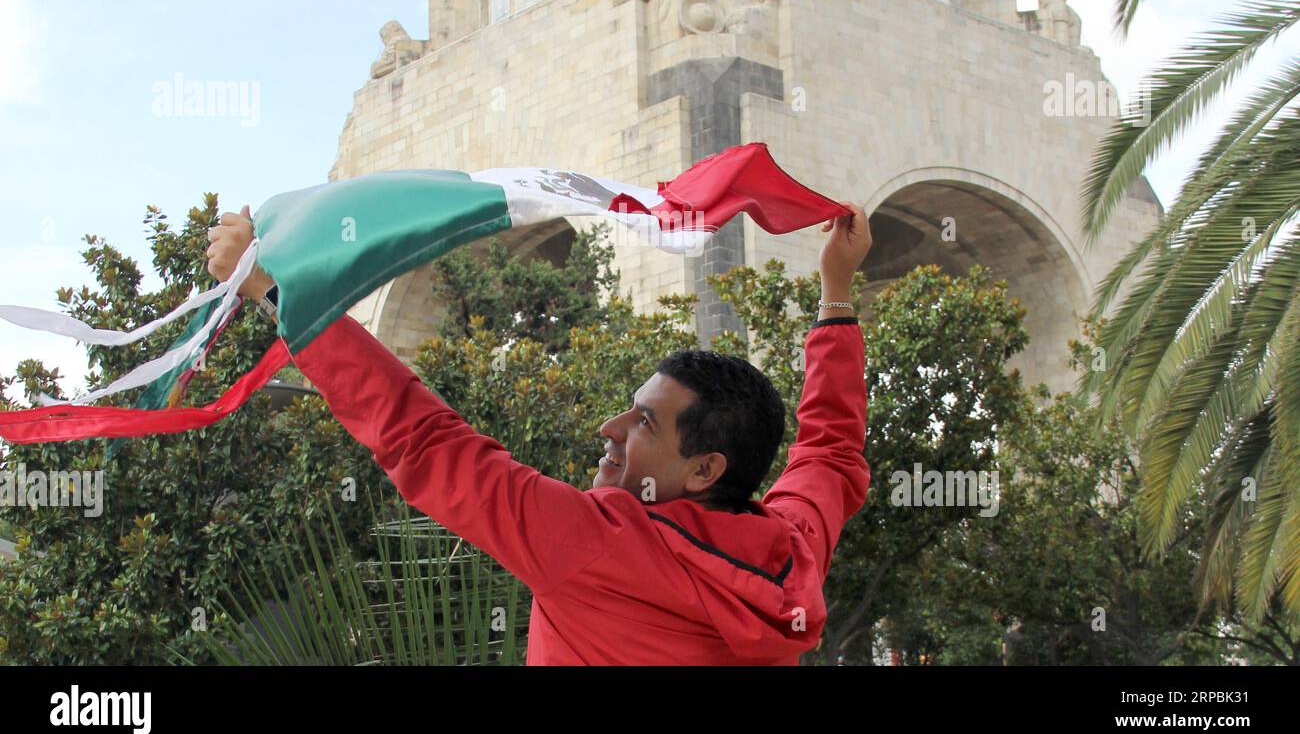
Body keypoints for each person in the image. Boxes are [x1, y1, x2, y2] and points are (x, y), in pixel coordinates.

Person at [206, 200, 872, 664]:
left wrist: (272, 290)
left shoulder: (593, 544)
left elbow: (422, 436)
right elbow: (832, 450)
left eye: (643, 422)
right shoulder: (793, 551)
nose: (610, 429)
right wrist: (835, 291)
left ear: (704, 470)